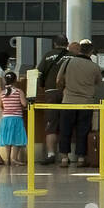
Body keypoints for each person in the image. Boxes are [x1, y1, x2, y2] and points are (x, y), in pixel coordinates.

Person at [54, 40, 102, 168]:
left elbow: (58, 80)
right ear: (91, 52)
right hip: (86, 103)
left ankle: (64, 158)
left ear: (80, 50)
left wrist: (64, 89)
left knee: (65, 130)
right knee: (83, 130)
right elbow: (98, 82)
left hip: (68, 101)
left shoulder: (68, 62)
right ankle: (81, 158)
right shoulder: (95, 67)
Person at [35, 36, 72, 164]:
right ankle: (64, 156)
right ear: (67, 44)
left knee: (51, 124)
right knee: (65, 124)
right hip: (68, 93)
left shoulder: (48, 55)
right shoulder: (72, 56)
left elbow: (38, 74)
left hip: (51, 93)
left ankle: (51, 154)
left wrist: (41, 86)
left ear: (55, 44)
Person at [0, 71, 28, 167]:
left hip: (6, 119)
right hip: (16, 118)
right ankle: (14, 158)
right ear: (15, 81)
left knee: (8, 139)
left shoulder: (2, 93)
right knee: (16, 139)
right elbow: (24, 103)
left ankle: (7, 159)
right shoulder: (19, 91)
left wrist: (6, 109)